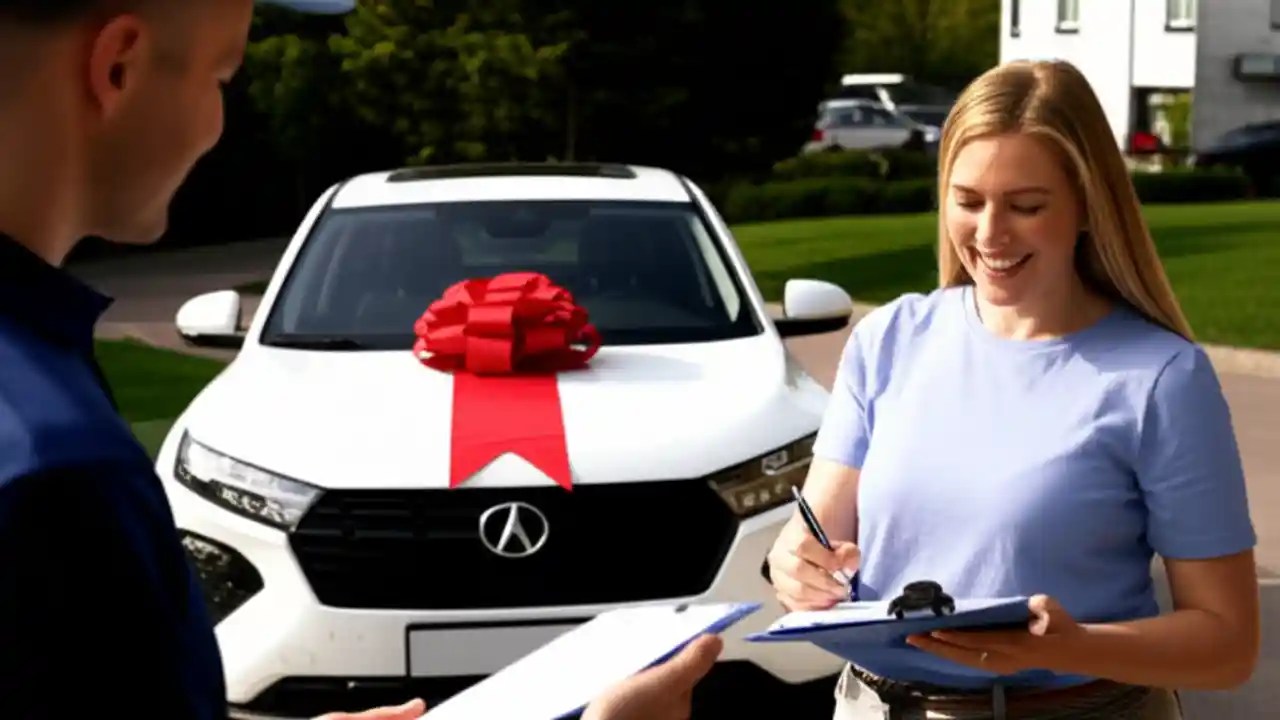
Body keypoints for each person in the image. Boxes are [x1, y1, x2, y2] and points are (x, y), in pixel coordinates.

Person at [0, 0, 721, 718]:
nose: (221, 125)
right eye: (223, 79)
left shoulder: (35, 403)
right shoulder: (58, 468)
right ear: (118, 68)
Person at [767, 59, 1260, 720]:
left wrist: (1074, 647)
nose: (990, 234)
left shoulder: (1161, 379)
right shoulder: (888, 339)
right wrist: (795, 566)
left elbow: (1227, 646)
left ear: (1089, 206)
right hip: (871, 706)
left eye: (1026, 206)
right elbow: (818, 540)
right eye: (967, 201)